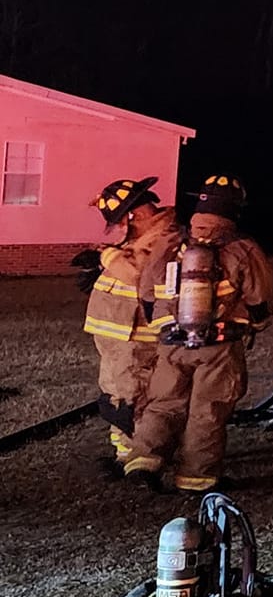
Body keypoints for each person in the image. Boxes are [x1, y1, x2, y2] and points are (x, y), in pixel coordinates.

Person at [126, 175, 272, 493]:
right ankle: (196, 478)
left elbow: (147, 290)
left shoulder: (170, 242)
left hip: (171, 343)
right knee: (208, 409)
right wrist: (256, 325)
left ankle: (143, 462)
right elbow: (259, 298)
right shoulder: (242, 249)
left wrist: (163, 325)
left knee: (163, 403)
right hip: (219, 345)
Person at [80, 177, 181, 473]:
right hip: (116, 335)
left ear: (134, 214)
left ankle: (138, 458)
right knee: (114, 394)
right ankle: (122, 453)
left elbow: (140, 274)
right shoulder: (146, 234)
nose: (123, 229)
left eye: (122, 221)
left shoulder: (166, 236)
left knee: (133, 398)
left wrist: (107, 256)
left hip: (135, 337)